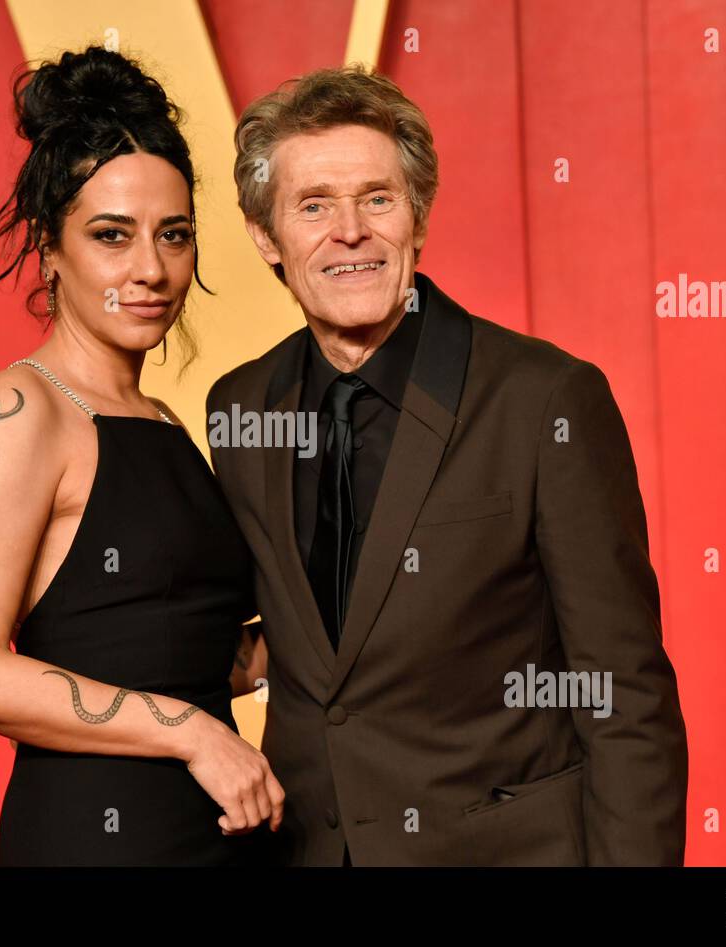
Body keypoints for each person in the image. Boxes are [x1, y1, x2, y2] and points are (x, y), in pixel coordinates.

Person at [207, 65, 689, 865]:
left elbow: (623, 693)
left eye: (378, 198)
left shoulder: (547, 401)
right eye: (314, 205)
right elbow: (285, 642)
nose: (349, 231)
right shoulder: (240, 408)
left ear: (418, 217)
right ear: (267, 237)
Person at [0, 46, 282, 866]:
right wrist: (194, 735)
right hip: (99, 837)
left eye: (174, 235)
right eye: (111, 236)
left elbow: (172, 652)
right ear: (50, 247)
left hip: (221, 834)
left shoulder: (161, 420)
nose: (150, 270)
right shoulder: (20, 410)